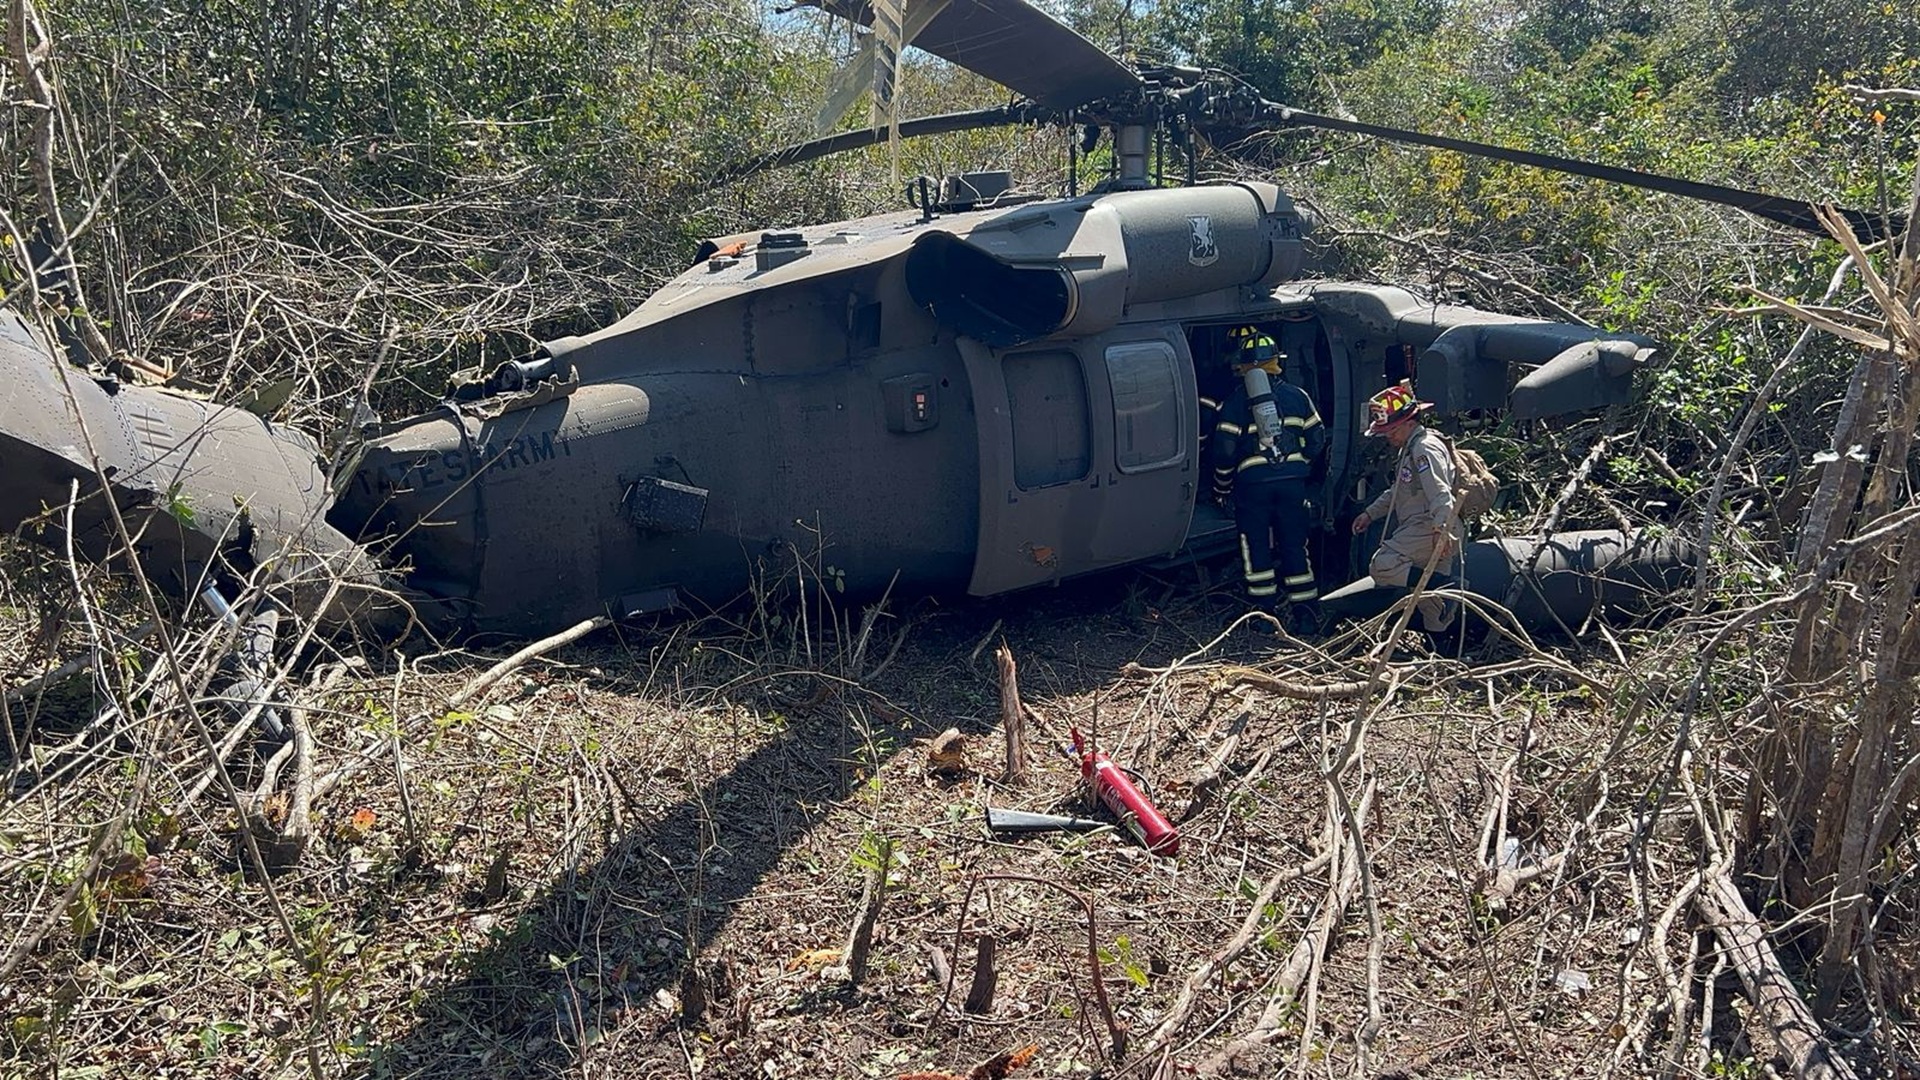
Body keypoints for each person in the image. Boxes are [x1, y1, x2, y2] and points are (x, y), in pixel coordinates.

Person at [1210, 329, 1326, 636]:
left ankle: (1264, 617)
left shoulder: (1235, 402)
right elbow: (1317, 439)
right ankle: (1306, 616)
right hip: (1293, 485)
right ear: (1277, 362)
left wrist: (1222, 488)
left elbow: (1223, 451)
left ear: (1243, 365)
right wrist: (1298, 466)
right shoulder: (1298, 396)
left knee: (1256, 546)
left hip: (1252, 488)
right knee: (1294, 545)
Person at [1348, 380, 1458, 632]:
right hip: (1430, 527)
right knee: (1433, 607)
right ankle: (1443, 656)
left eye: (1392, 430)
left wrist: (1442, 529)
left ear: (1410, 423)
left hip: (1429, 527)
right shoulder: (1410, 449)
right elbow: (1398, 491)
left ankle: (1445, 585)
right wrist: (1370, 514)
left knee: (1383, 565)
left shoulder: (1423, 449)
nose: (1388, 436)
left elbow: (1440, 491)